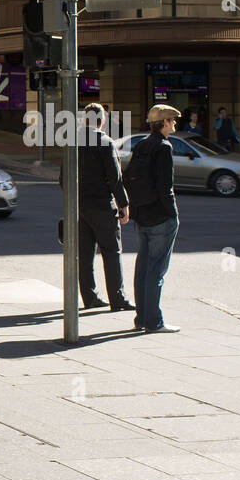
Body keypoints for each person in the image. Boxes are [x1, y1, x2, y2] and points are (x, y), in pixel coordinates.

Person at [72, 104, 135, 311]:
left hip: (79, 207)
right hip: (102, 206)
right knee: (112, 252)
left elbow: (64, 178)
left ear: (84, 120)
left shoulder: (73, 142)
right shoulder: (106, 143)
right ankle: (118, 299)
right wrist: (123, 204)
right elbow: (115, 179)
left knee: (85, 254)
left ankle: (89, 297)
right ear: (103, 121)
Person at [127, 105, 181, 333]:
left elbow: (129, 178)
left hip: (143, 215)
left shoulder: (142, 145)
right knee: (156, 270)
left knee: (143, 268)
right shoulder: (163, 147)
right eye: (173, 120)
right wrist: (173, 213)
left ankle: (141, 318)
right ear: (166, 122)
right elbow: (165, 187)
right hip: (160, 216)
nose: (175, 124)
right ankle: (153, 322)